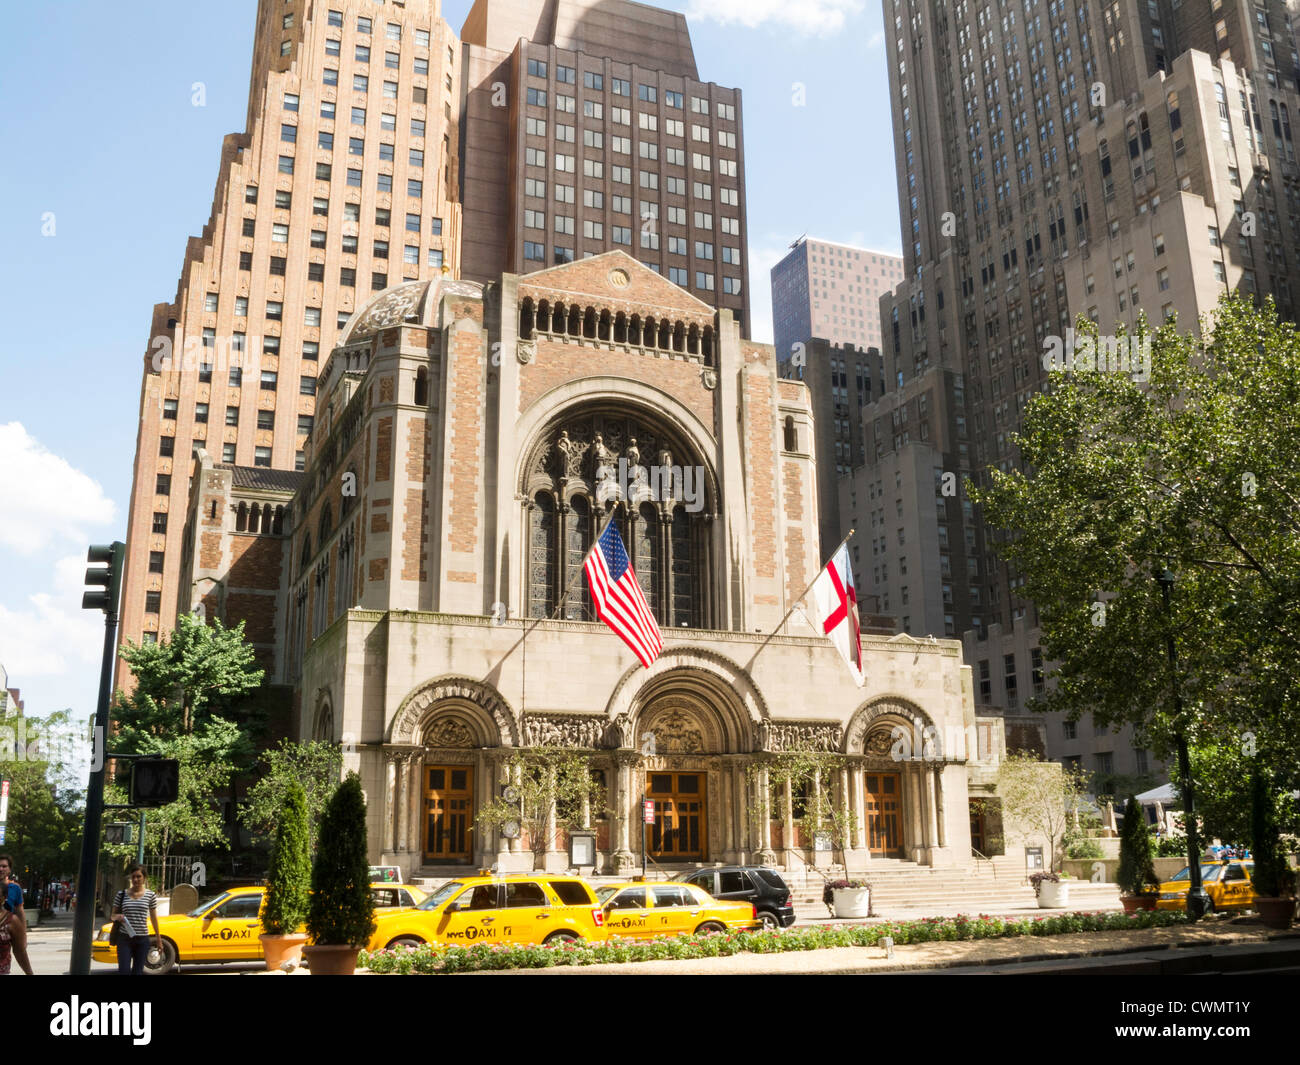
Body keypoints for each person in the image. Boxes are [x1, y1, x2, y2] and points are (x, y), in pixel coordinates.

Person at [111, 864, 162, 976]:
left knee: (137, 972)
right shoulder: (122, 894)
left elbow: (154, 918)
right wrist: (118, 917)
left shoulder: (150, 895)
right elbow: (112, 916)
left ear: (144, 878)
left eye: (138, 876)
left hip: (142, 939)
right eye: (133, 876)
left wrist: (159, 939)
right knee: (124, 971)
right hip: (124, 939)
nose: (135, 879)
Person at [0, 856, 34, 976]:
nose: (1, 869)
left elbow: (20, 911)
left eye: (4, 866)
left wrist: (23, 935)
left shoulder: (15, 888)